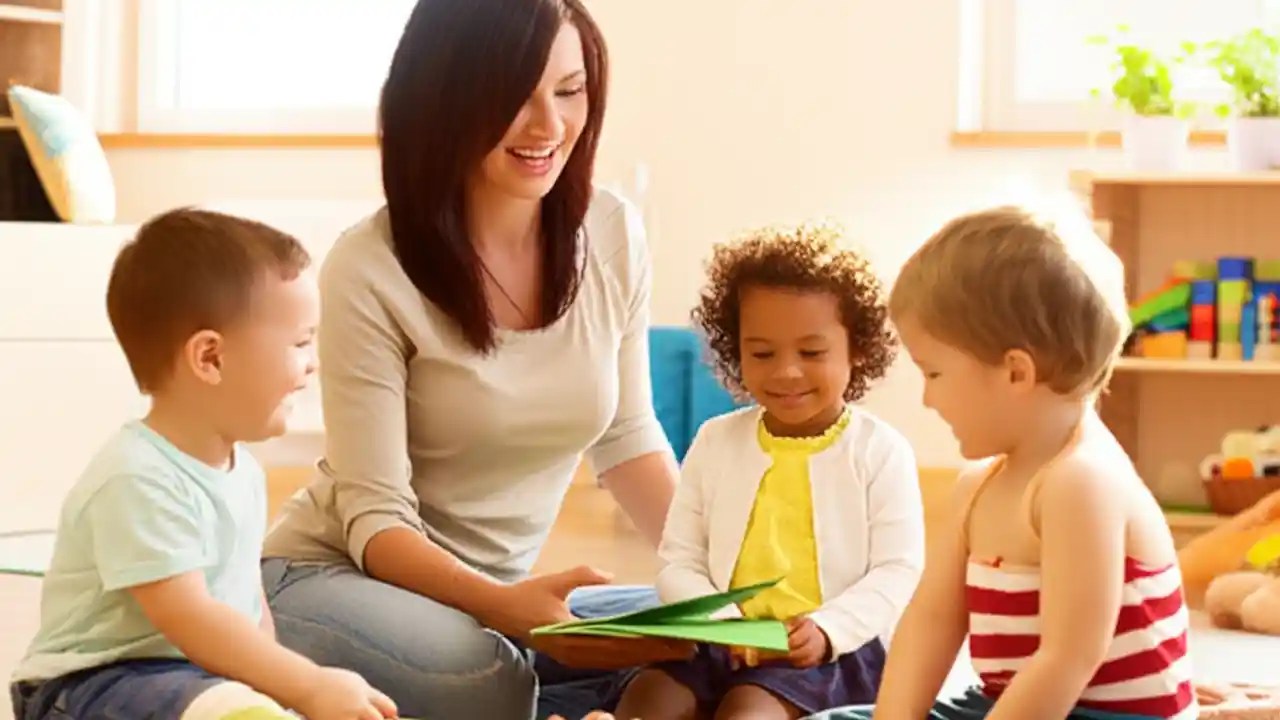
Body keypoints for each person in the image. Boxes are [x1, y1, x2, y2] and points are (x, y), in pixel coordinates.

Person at [259, 0, 690, 718]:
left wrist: (711, 584)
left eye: (568, 90)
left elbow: (627, 435)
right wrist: (508, 610)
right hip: (331, 578)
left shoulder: (612, 230)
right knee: (483, 679)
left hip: (492, 605)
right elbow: (375, 519)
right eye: (512, 96)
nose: (548, 126)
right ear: (444, 96)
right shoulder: (369, 267)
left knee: (709, 642)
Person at [8, 209, 397, 720]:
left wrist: (283, 688)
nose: (313, 362)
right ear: (210, 358)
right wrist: (308, 685)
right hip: (93, 684)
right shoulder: (137, 476)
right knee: (231, 708)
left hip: (191, 677)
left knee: (248, 704)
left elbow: (248, 609)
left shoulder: (243, 471)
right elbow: (191, 618)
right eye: (301, 342)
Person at [819, 204, 1197, 719]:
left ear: (1015, 372)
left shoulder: (1079, 482)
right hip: (1008, 706)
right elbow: (932, 620)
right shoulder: (978, 486)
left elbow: (1068, 658)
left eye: (933, 374)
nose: (928, 400)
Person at [612, 222, 927, 719]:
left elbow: (898, 569)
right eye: (762, 353)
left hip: (820, 653)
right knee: (646, 701)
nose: (786, 371)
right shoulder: (716, 440)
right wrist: (722, 623)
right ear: (737, 351)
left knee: (748, 711)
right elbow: (679, 559)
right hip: (715, 637)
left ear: (858, 349)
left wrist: (828, 630)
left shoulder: (880, 450)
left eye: (812, 352)